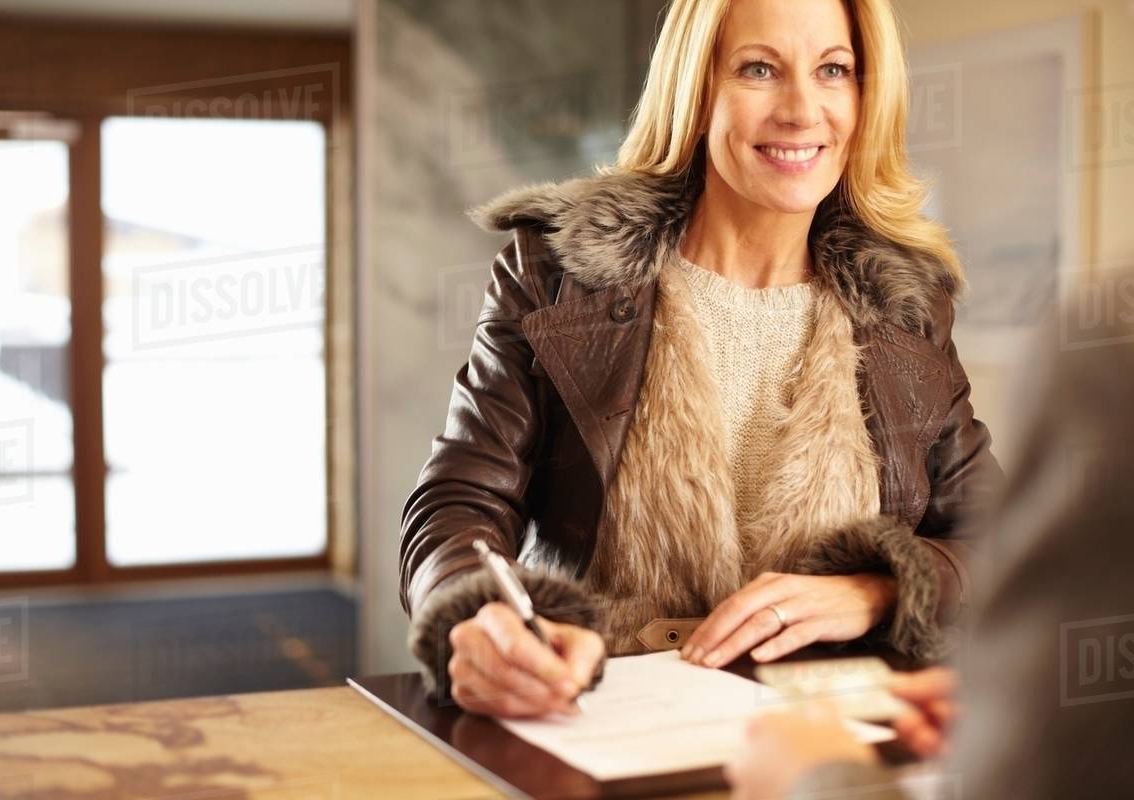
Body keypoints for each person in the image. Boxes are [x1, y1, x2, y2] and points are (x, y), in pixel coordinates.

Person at [400, 0, 1001, 718]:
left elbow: (998, 538)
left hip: (824, 736)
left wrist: (876, 589)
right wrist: (474, 619)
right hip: (596, 719)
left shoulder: (908, 305)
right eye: (759, 69)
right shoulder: (557, 272)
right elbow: (458, 502)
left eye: (833, 70)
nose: (801, 110)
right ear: (697, 88)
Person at [723, 273, 1134, 798]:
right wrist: (1015, 699)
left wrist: (816, 781)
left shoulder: (1105, 342)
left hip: (816, 731)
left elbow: (986, 546)